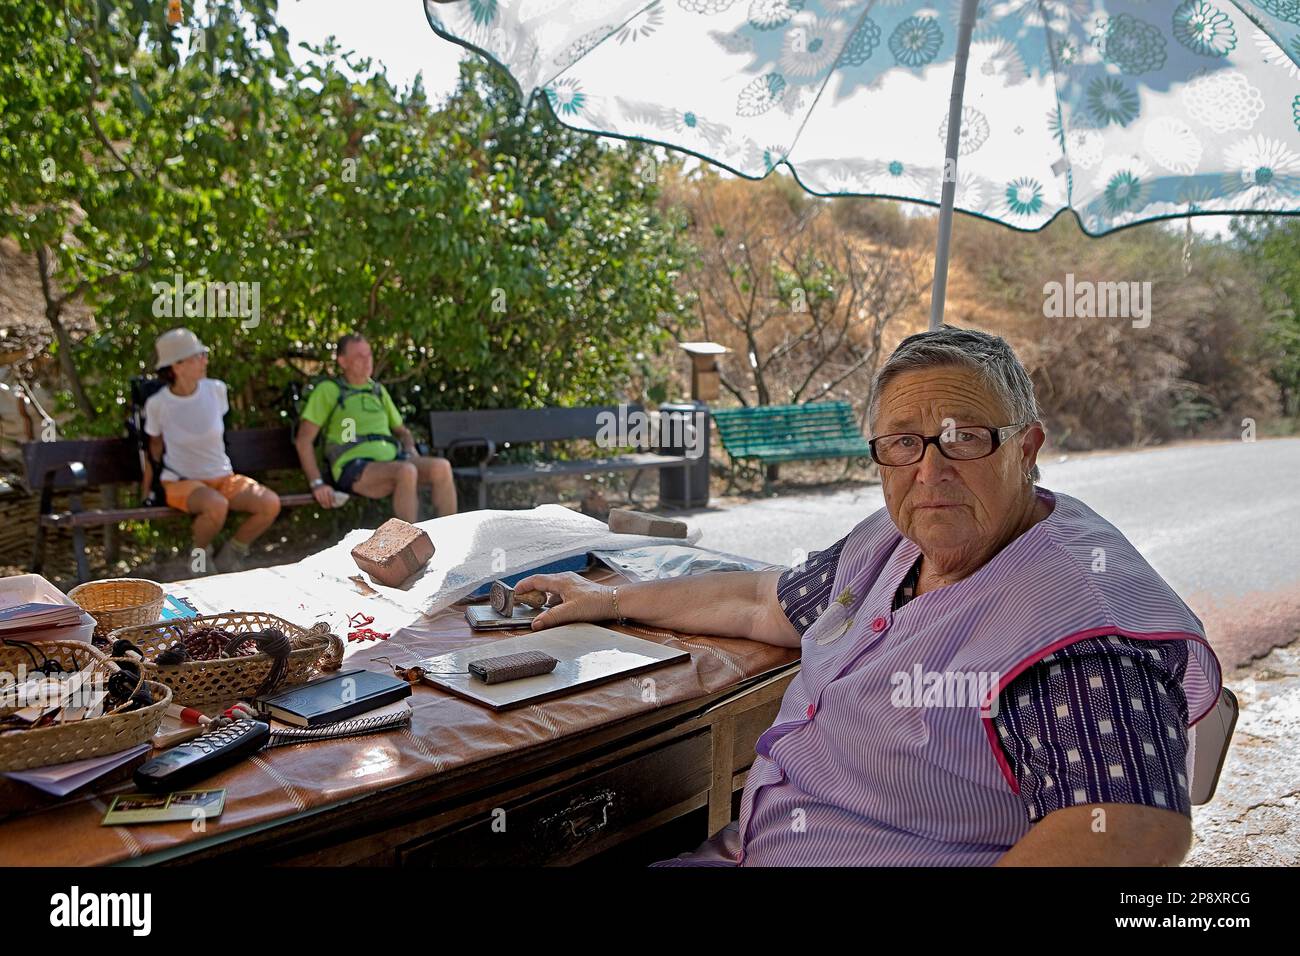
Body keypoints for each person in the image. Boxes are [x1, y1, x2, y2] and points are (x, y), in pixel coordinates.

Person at [515, 326, 1222, 867]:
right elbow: (764, 602)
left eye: (964, 439)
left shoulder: (1072, 621)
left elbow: (1134, 826)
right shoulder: (892, 543)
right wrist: (610, 599)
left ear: (1027, 448)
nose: (930, 471)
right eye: (904, 444)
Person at [143, 328, 281, 573]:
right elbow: (153, 446)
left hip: (223, 477)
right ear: (177, 366)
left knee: (270, 503)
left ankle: (231, 555)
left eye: (203, 354)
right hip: (182, 482)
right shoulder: (158, 404)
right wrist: (147, 488)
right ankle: (198, 560)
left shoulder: (216, 390)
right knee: (216, 505)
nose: (205, 359)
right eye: (198, 356)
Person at [295, 333, 456, 522]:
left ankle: (449, 536)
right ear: (343, 361)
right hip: (352, 467)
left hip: (393, 461)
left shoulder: (378, 391)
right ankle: (410, 546)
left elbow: (402, 431)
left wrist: (411, 449)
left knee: (441, 467)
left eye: (369, 355)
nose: (367, 361)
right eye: (359, 357)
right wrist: (317, 483)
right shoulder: (329, 391)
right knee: (406, 471)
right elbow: (303, 440)